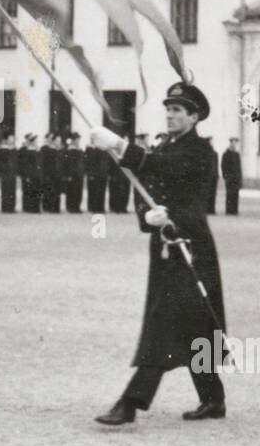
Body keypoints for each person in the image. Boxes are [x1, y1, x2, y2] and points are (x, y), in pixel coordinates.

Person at [90, 82, 228, 426]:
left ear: (195, 117)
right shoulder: (163, 145)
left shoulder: (200, 152)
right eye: (168, 109)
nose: (170, 114)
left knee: (163, 322)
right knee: (195, 323)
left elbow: (166, 170)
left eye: (178, 110)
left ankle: (131, 402)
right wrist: (147, 219)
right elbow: (146, 186)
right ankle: (213, 398)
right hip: (166, 245)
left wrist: (120, 145)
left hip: (190, 246)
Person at [84, 135, 107, 214]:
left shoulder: (102, 148)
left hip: (102, 173)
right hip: (93, 174)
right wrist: (89, 173)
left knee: (101, 191)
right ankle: (93, 208)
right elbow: (88, 162)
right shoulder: (89, 148)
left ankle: (101, 208)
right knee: (94, 192)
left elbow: (104, 162)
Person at [62, 134, 85, 213]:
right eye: (77, 139)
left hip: (79, 173)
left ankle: (77, 206)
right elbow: (67, 164)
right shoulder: (69, 150)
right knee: (71, 191)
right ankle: (71, 207)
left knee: (79, 191)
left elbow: (82, 162)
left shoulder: (79, 149)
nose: (78, 141)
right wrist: (68, 175)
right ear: (73, 140)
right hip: (72, 174)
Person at [18, 134, 41, 213]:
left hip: (37, 174)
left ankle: (36, 207)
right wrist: (27, 175)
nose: (36, 142)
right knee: (30, 191)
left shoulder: (37, 150)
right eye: (35, 141)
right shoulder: (27, 151)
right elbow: (26, 164)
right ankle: (29, 208)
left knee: (36, 191)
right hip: (31, 174)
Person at [40, 133, 62, 213]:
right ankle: (48, 207)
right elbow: (44, 163)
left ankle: (56, 208)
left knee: (56, 191)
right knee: (48, 191)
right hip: (48, 173)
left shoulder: (57, 149)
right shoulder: (45, 148)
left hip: (57, 174)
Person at [221, 137, 243, 215]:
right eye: (232, 142)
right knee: (229, 194)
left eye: (235, 143)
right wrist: (225, 176)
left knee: (235, 194)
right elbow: (223, 166)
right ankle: (229, 210)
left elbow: (239, 168)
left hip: (236, 178)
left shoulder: (237, 154)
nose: (234, 144)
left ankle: (234, 210)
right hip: (229, 178)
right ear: (230, 143)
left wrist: (240, 179)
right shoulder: (226, 154)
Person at [0, 134, 19, 214]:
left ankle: (11, 207)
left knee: (12, 190)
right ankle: (5, 207)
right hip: (5, 173)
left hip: (12, 173)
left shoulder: (14, 149)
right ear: (7, 140)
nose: (12, 140)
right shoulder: (3, 150)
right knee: (5, 190)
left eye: (13, 139)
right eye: (11, 139)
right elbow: (1, 162)